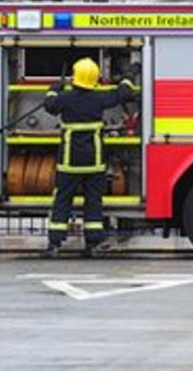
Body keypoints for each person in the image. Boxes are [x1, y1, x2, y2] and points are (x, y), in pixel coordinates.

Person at [42, 57, 138, 258]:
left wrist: (55, 88)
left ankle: (55, 245)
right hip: (94, 163)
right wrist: (130, 74)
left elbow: (49, 105)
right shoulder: (98, 98)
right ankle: (92, 244)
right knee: (93, 202)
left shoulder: (65, 99)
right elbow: (123, 93)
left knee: (62, 202)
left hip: (69, 163)